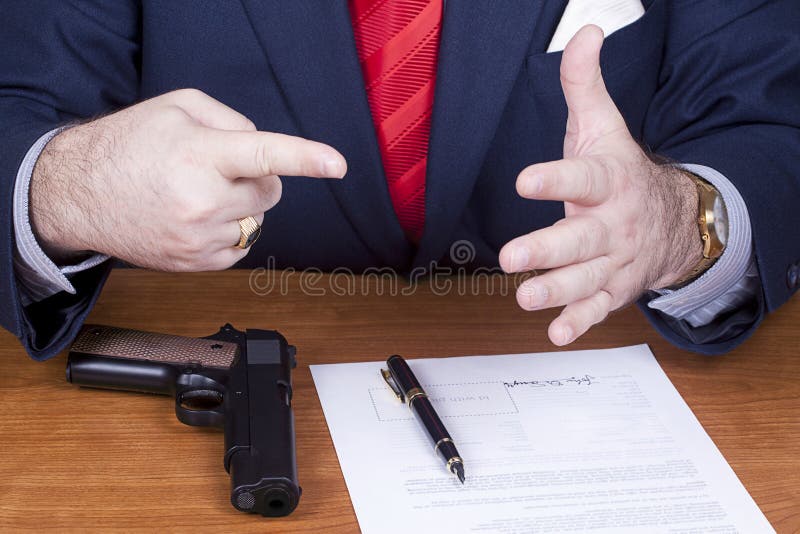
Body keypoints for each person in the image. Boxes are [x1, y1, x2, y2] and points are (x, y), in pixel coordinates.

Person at [1, 0, 798, 361]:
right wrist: (71, 185)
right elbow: (18, 107)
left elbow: (771, 127)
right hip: (193, 402)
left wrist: (681, 221)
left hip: (588, 377)